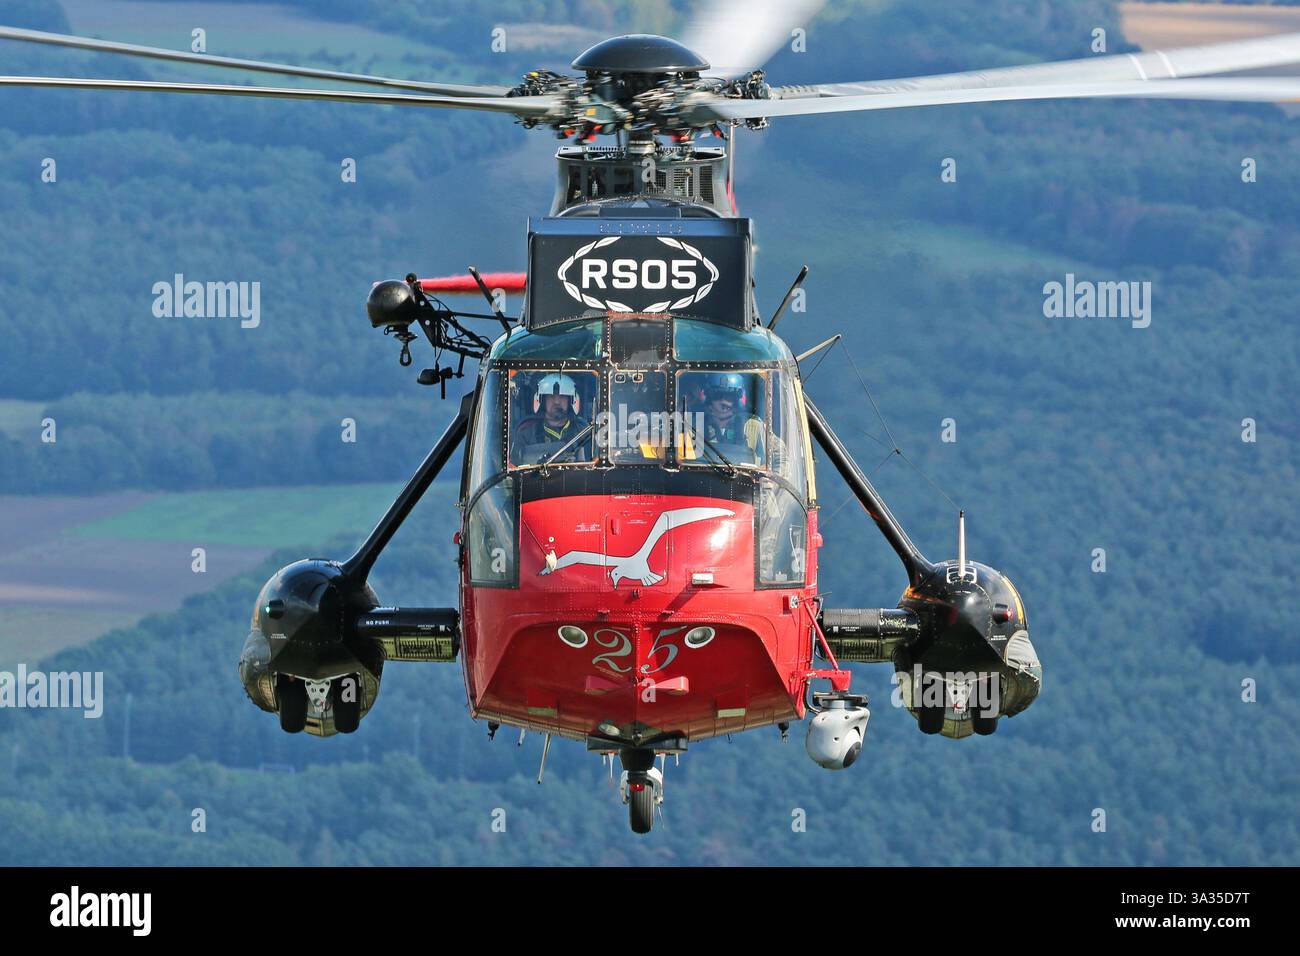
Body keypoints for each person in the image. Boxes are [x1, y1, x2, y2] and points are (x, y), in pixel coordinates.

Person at [511, 372, 591, 465]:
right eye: (551, 396)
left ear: (570, 400)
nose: (557, 401)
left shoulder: (585, 432)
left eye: (562, 396)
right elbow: (515, 468)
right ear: (543, 400)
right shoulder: (526, 435)